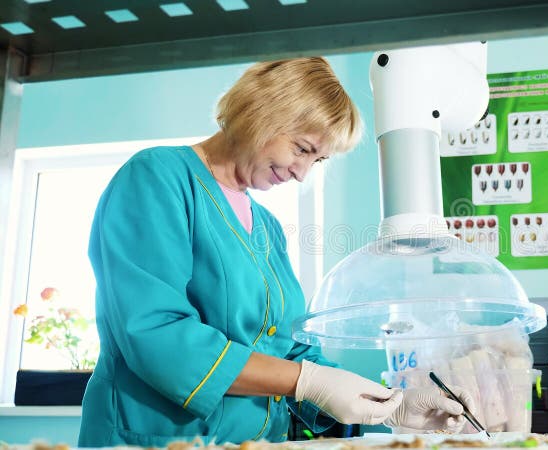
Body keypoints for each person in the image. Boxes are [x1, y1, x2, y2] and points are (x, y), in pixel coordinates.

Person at [78, 57, 473, 447]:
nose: (302, 173)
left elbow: (288, 350)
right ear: (261, 112)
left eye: (317, 160)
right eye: (302, 149)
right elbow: (157, 332)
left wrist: (393, 406)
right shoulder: (157, 177)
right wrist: (307, 382)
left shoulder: (266, 227)